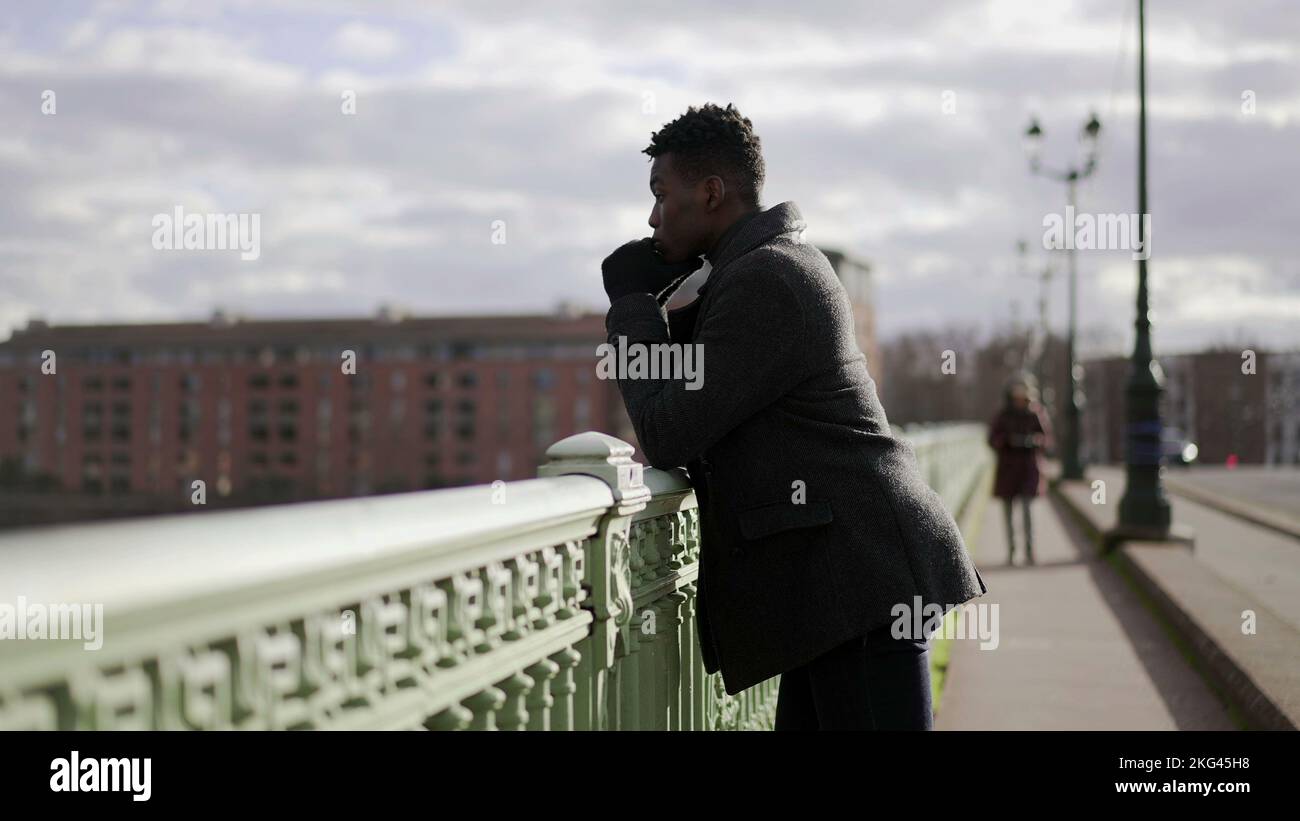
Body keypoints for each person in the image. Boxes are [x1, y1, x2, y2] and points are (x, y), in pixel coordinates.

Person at [598, 102, 986, 730]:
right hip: (834, 587)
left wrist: (635, 308)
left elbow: (669, 433)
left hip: (858, 582)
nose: (651, 217)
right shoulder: (762, 269)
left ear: (712, 191)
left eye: (661, 195)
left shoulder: (769, 279)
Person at [987, 373, 1053, 565]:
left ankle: (1030, 552)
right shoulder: (1002, 415)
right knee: (1008, 514)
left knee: (1027, 511)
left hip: (1028, 468)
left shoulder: (1035, 413)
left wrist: (1032, 441)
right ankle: (1011, 552)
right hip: (1008, 469)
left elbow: (1046, 440)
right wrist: (1007, 441)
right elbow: (992, 439)